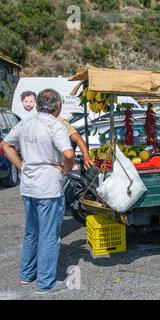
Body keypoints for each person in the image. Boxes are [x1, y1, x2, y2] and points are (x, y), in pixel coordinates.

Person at [0, 89, 74, 294]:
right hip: (48, 187)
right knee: (49, 235)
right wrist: (66, 169)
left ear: (38, 105)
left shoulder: (25, 123)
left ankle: (26, 274)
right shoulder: (55, 125)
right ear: (58, 107)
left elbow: (5, 144)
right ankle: (45, 283)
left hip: (28, 186)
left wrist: (21, 165)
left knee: (32, 232)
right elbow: (68, 153)